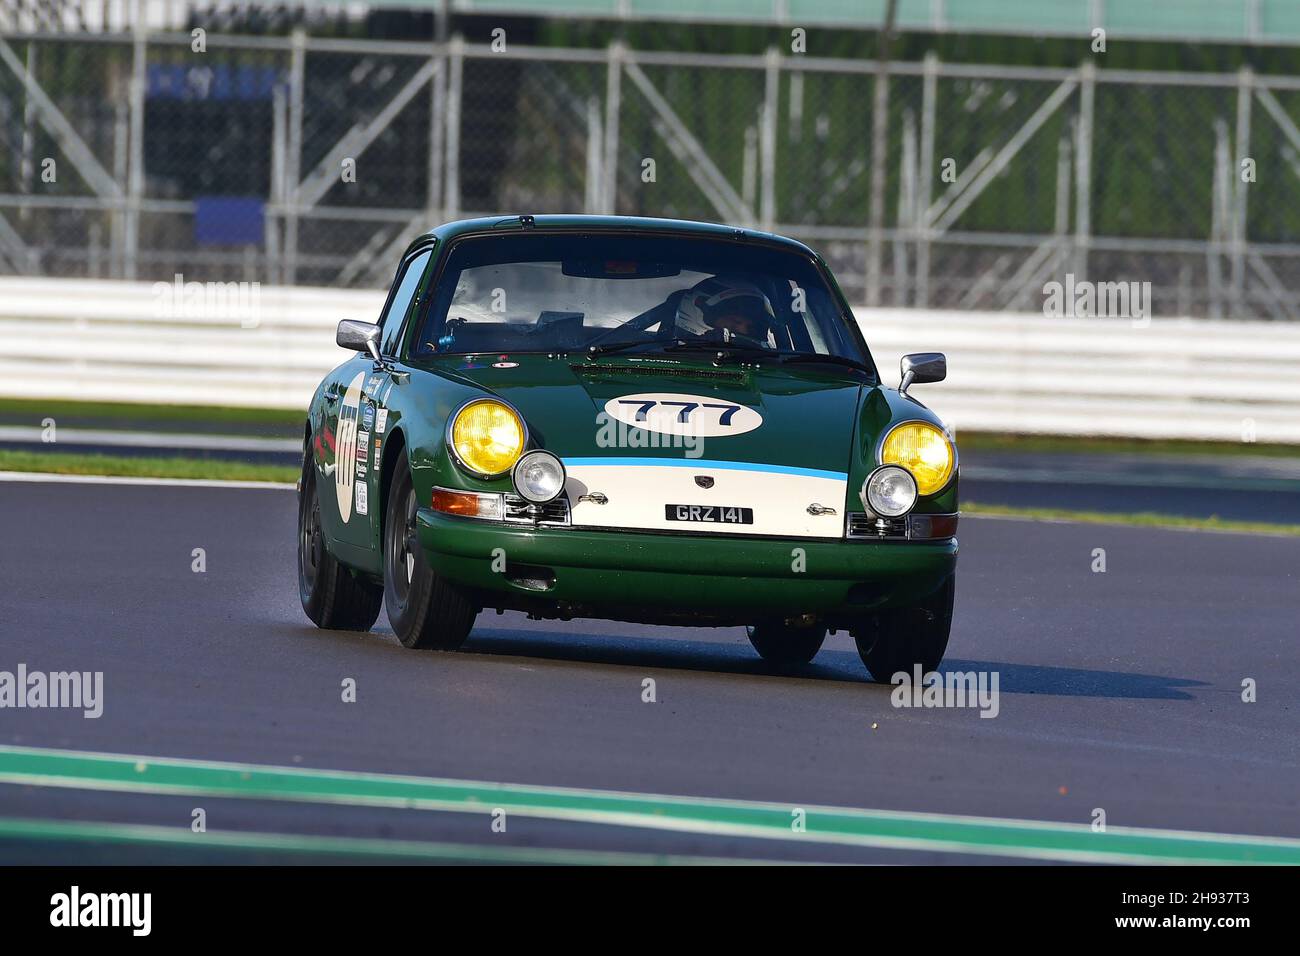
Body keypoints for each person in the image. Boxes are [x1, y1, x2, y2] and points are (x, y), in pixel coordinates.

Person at [675, 276, 779, 349]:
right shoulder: (662, 351)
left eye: (752, 326)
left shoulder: (773, 361)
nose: (744, 330)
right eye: (735, 322)